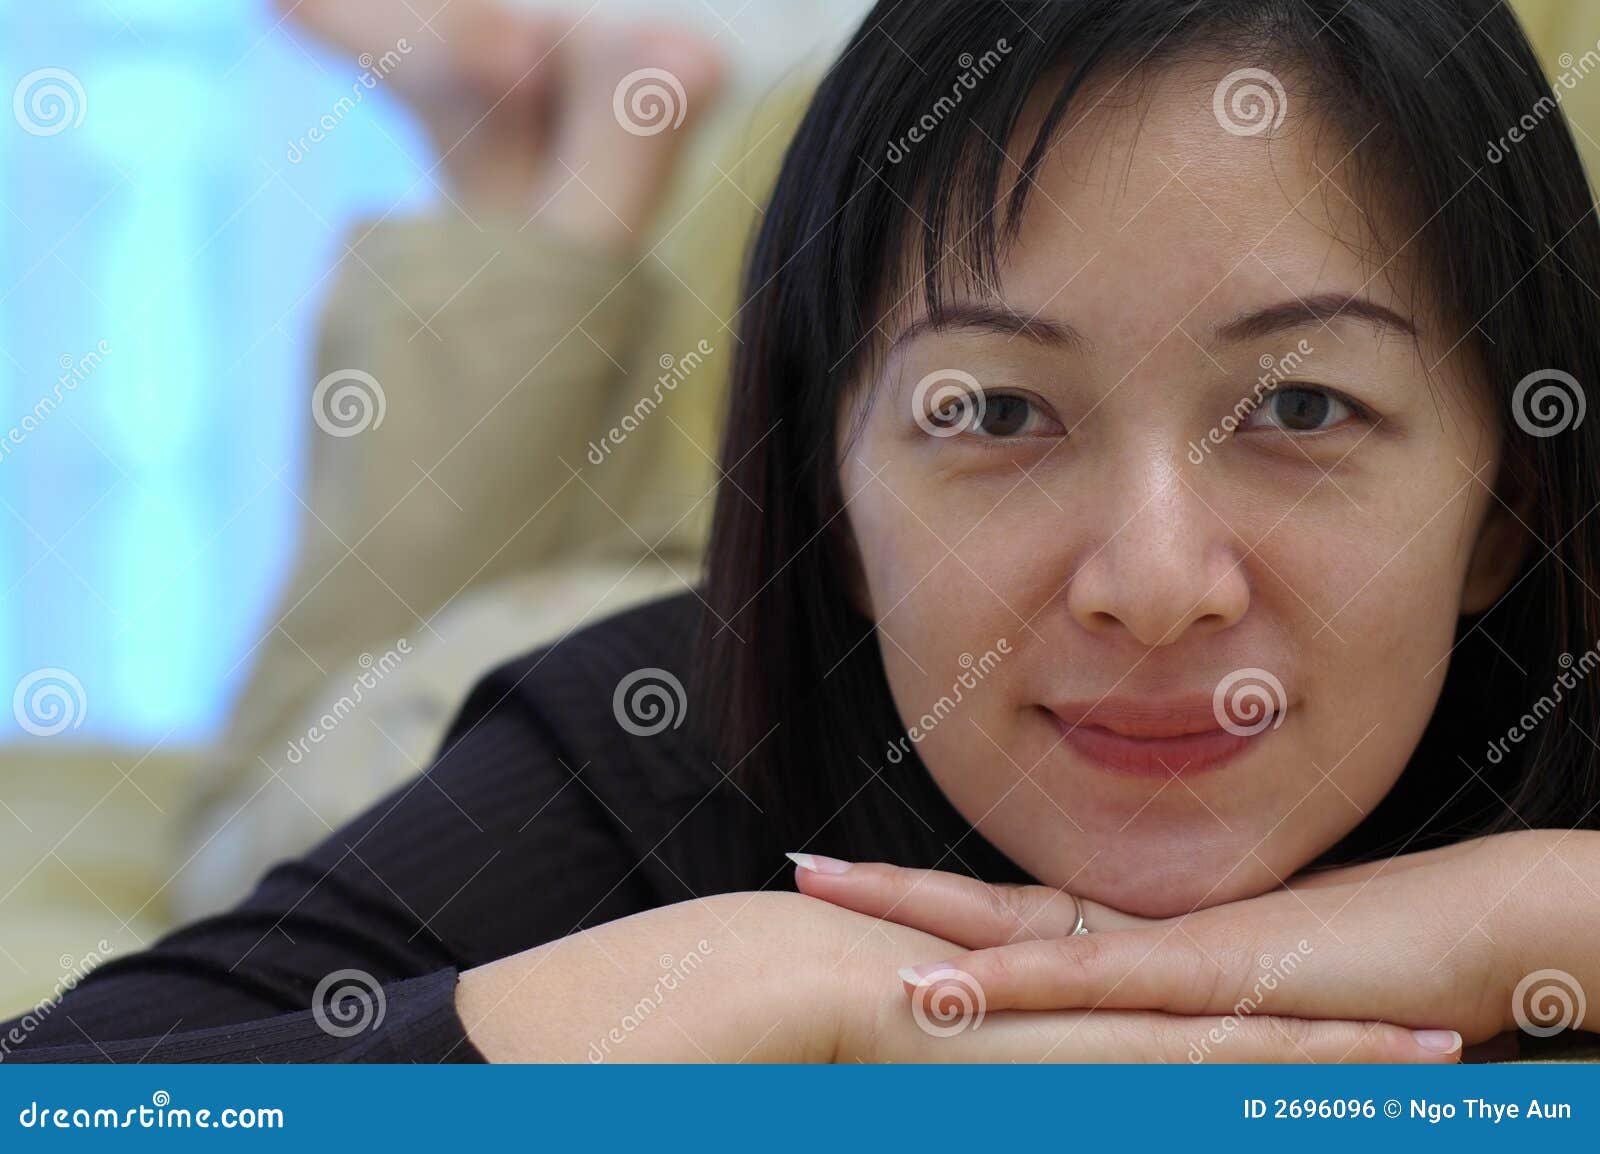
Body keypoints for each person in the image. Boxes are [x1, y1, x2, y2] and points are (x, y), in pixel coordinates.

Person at [6, 0, 1600, 1063]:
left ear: (1505, 500)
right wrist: (720, 992)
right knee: (321, 724)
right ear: (821, 489)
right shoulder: (636, 747)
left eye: (1304, 408)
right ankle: (538, 190)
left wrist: (1527, 923)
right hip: (519, 669)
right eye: (997, 410)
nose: (1156, 584)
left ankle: (535, 188)